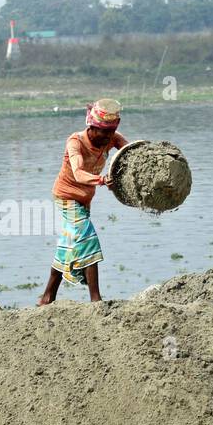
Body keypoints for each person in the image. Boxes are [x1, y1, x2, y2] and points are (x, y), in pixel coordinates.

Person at [37, 98, 127, 305]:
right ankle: (95, 299)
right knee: (88, 238)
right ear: (91, 127)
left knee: (67, 243)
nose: (106, 137)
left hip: (85, 201)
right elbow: (78, 173)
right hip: (66, 197)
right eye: (102, 132)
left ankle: (47, 296)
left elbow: (130, 154)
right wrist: (103, 180)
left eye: (110, 132)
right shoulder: (75, 142)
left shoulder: (113, 138)